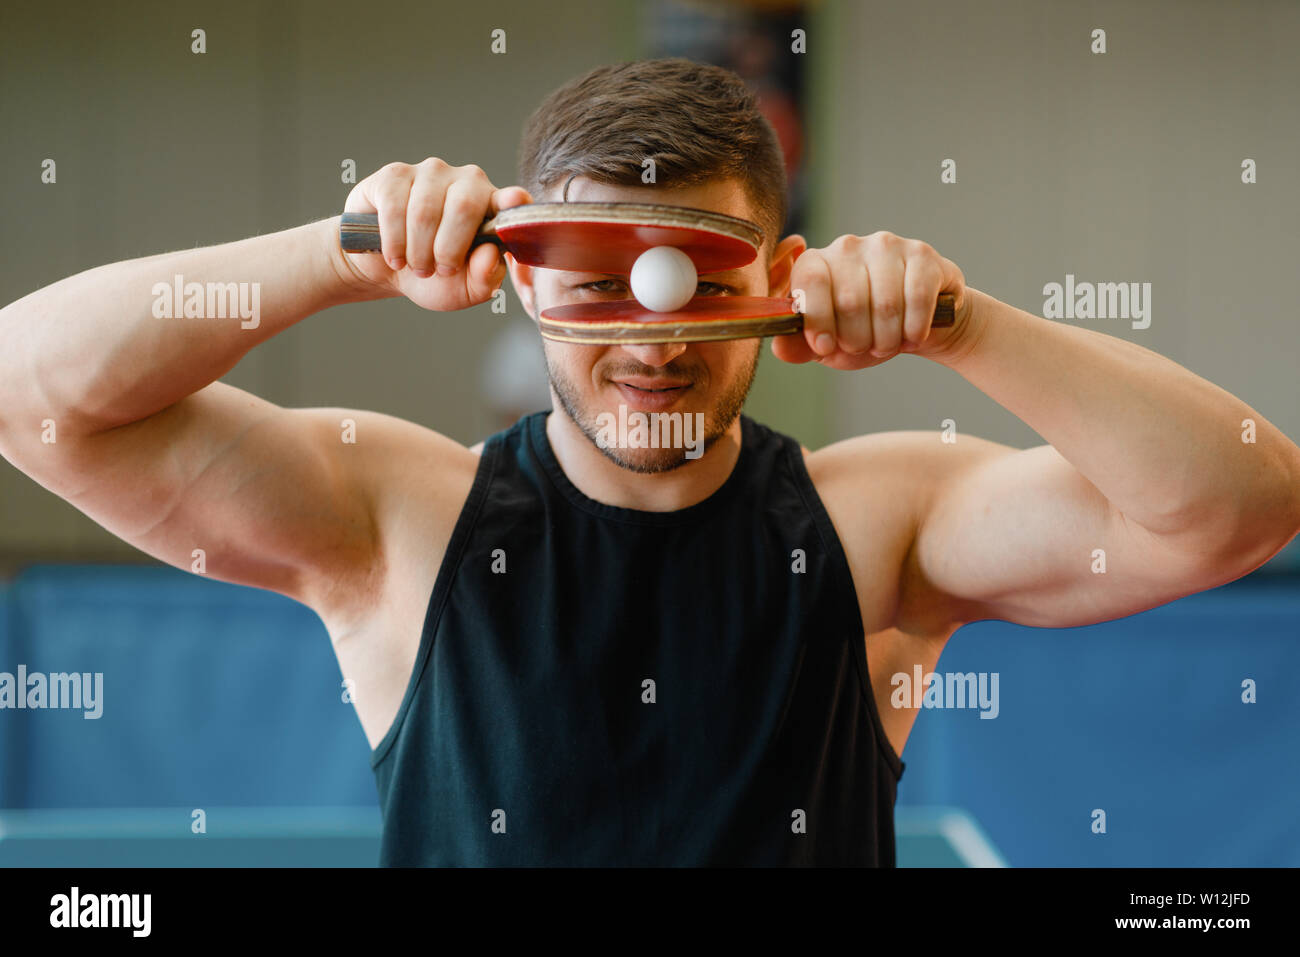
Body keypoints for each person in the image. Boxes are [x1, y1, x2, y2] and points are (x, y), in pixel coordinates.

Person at [1, 58, 1297, 866]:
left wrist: (968, 324)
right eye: (601, 281)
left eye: (695, 274)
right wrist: (340, 250)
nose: (655, 338)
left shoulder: (875, 522)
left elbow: (1240, 503)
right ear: (524, 281)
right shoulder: (399, 518)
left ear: (780, 282)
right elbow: (34, 399)